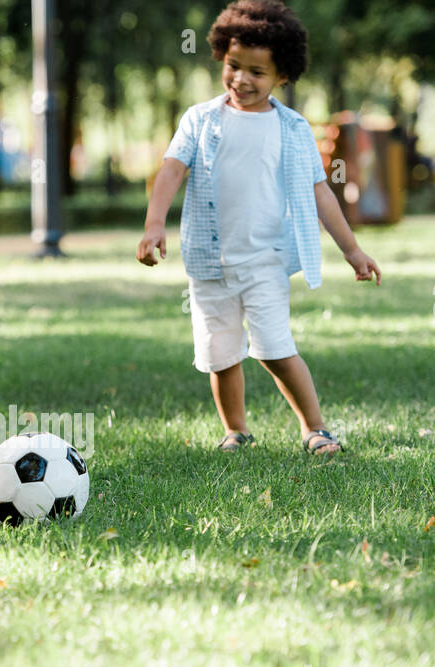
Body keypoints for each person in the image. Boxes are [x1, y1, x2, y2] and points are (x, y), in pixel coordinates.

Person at [136, 0, 380, 454]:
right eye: (233, 66)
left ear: (282, 76)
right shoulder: (200, 119)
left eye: (257, 72)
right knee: (220, 354)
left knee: (274, 348)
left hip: (265, 259)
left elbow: (319, 192)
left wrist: (352, 250)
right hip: (209, 262)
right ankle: (237, 431)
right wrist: (154, 225)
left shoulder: (292, 128)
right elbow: (171, 170)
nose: (241, 80)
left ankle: (315, 428)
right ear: (220, 57)